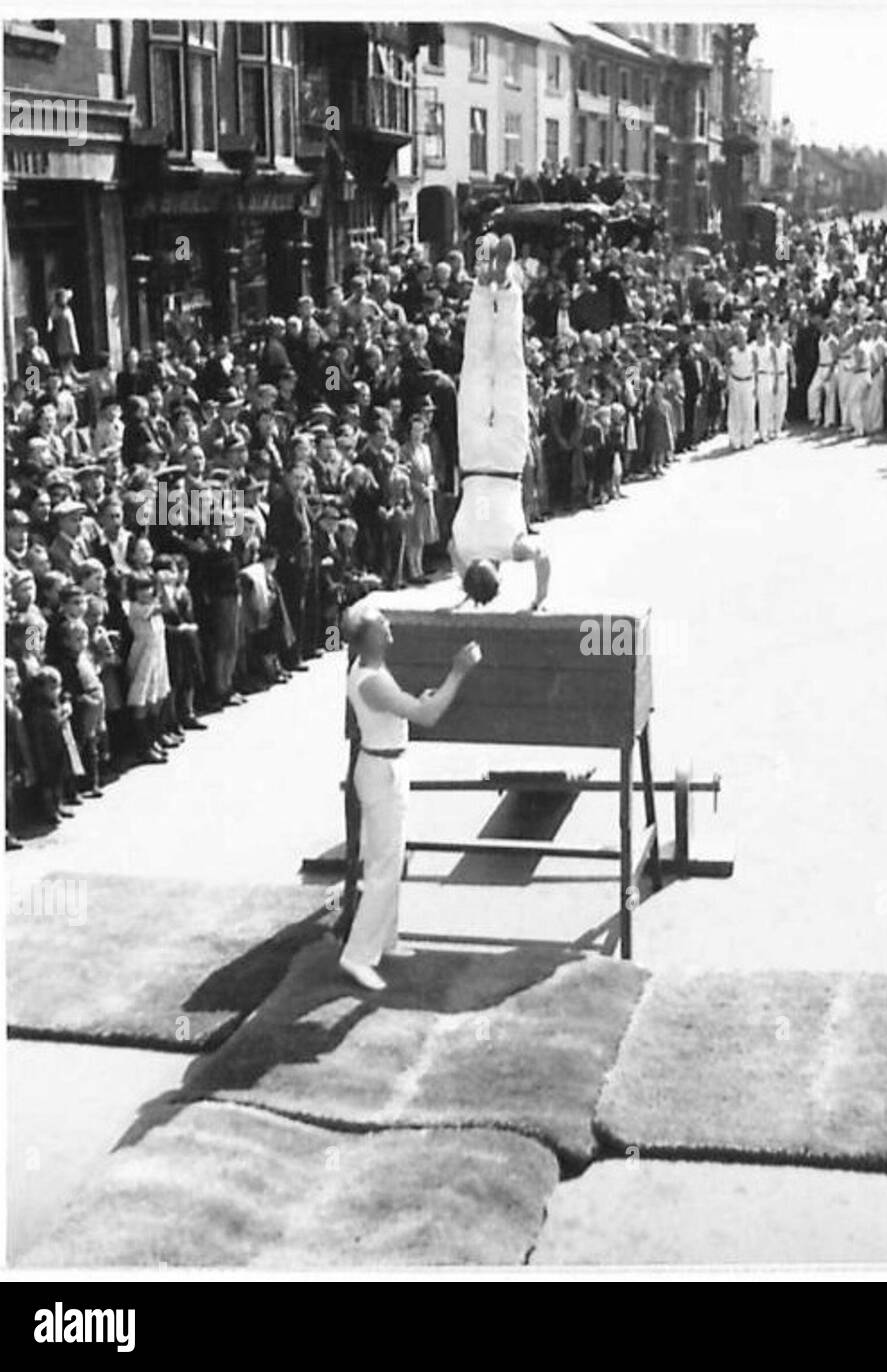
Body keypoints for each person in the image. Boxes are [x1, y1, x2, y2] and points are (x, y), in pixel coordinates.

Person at [340, 605, 481, 989]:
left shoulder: (369, 669)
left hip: (383, 768)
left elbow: (401, 706)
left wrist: (414, 701)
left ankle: (386, 939)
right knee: (384, 868)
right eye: (381, 624)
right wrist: (458, 671)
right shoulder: (370, 678)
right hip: (382, 773)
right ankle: (357, 956)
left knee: (389, 860)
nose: (388, 627)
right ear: (368, 638)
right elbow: (428, 715)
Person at [449, 234, 551, 609]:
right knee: (476, 365)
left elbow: (544, 558)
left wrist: (538, 600)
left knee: (509, 367)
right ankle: (481, 285)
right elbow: (452, 553)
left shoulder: (514, 548)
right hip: (474, 460)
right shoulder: (462, 543)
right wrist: (464, 586)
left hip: (507, 463)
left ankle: (505, 284)